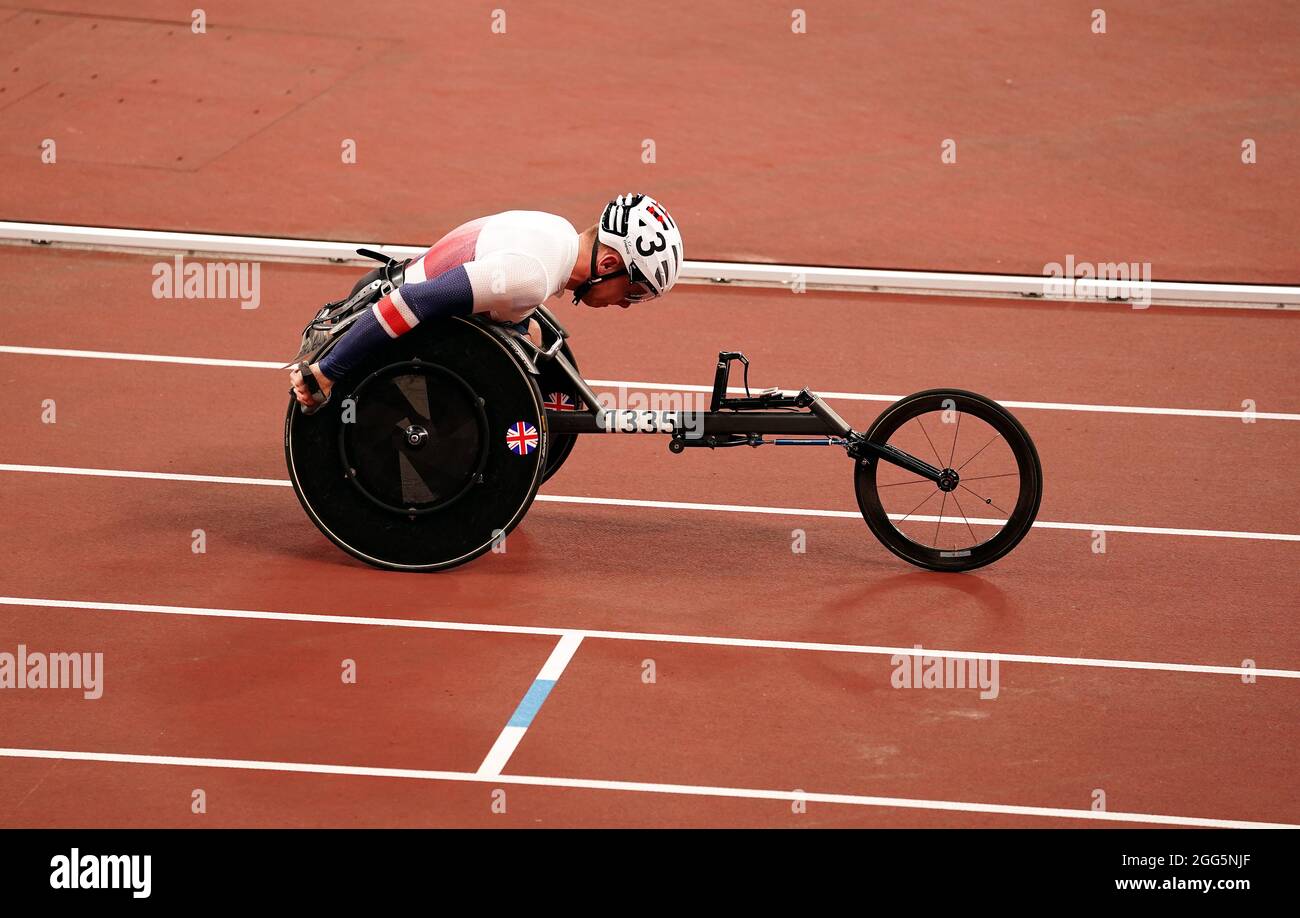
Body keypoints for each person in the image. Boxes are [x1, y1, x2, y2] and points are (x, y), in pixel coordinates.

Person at [289, 193, 683, 412]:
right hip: (379, 325)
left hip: (385, 290)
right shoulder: (531, 277)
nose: (627, 304)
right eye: (633, 292)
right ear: (609, 263)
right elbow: (413, 301)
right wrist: (327, 370)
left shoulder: (556, 231)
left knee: (531, 334)